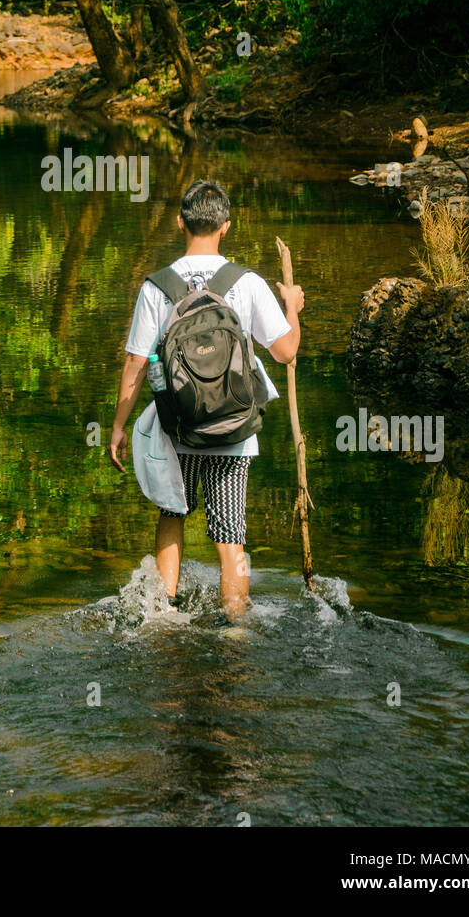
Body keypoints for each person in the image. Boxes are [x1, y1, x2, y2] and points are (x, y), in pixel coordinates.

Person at [109, 179, 304, 621]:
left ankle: (162, 615)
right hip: (235, 428)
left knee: (172, 511)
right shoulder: (248, 283)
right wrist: (291, 305)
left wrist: (119, 427)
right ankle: (235, 626)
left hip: (178, 427)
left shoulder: (156, 287)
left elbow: (136, 365)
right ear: (226, 226)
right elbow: (286, 352)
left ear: (180, 221)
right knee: (231, 532)